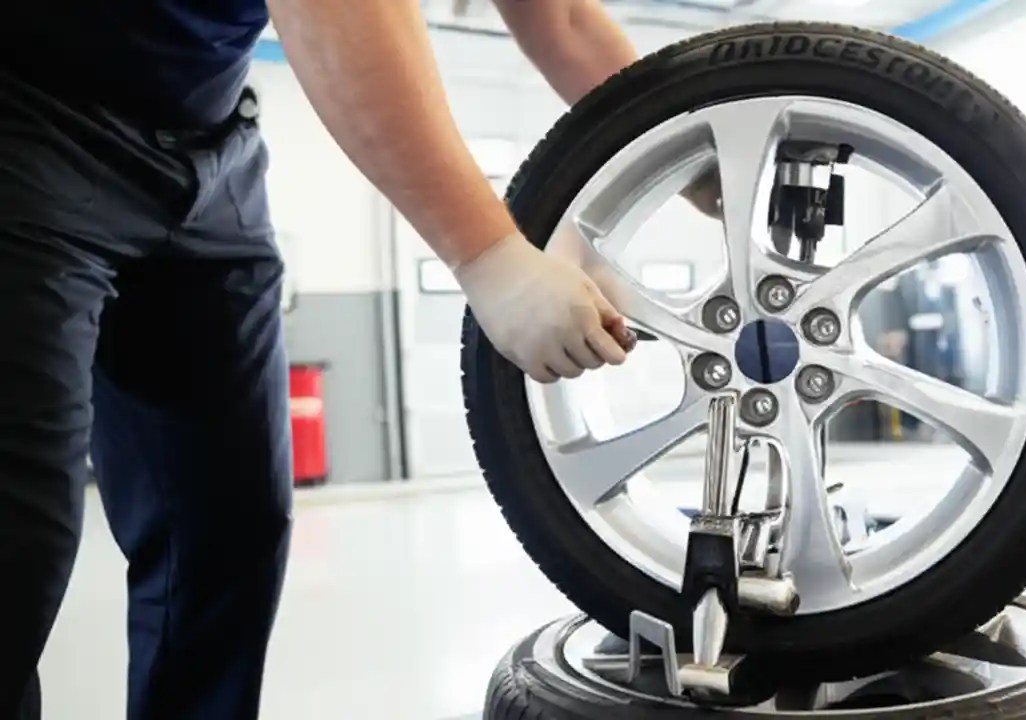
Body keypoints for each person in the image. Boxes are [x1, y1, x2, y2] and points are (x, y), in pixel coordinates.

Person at [0, 1, 713, 717]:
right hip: (28, 115)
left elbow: (561, 20)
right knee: (18, 544)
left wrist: (699, 146)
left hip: (207, 145)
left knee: (224, 538)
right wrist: (490, 257)